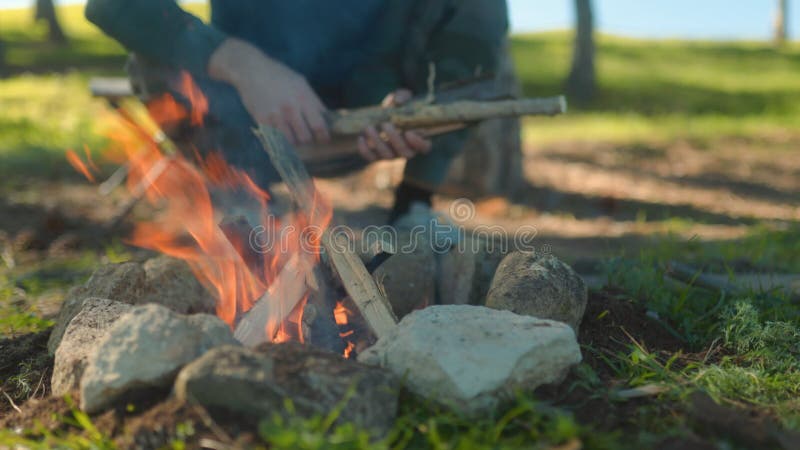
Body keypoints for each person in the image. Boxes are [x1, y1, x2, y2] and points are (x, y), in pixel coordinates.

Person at [85, 0, 509, 223]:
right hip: (246, 132)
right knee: (152, 60)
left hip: (356, 130)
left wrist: (402, 110)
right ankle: (243, 199)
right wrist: (241, 63)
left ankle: (413, 207)